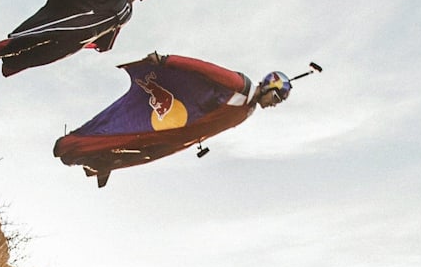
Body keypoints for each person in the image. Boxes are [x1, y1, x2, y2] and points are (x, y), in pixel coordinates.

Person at [53, 53, 293, 187]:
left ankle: (97, 163)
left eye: (279, 101)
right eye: (276, 97)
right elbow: (204, 68)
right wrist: (167, 61)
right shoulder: (240, 85)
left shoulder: (248, 109)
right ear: (268, 85)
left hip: (183, 136)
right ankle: (71, 144)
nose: (274, 103)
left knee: (144, 154)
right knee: (125, 128)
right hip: (174, 120)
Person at [0, 0, 156, 77]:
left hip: (81, 39)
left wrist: (105, 46)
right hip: (76, 21)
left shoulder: (128, 14)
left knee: (47, 56)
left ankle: (11, 65)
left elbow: (113, 31)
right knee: (34, 36)